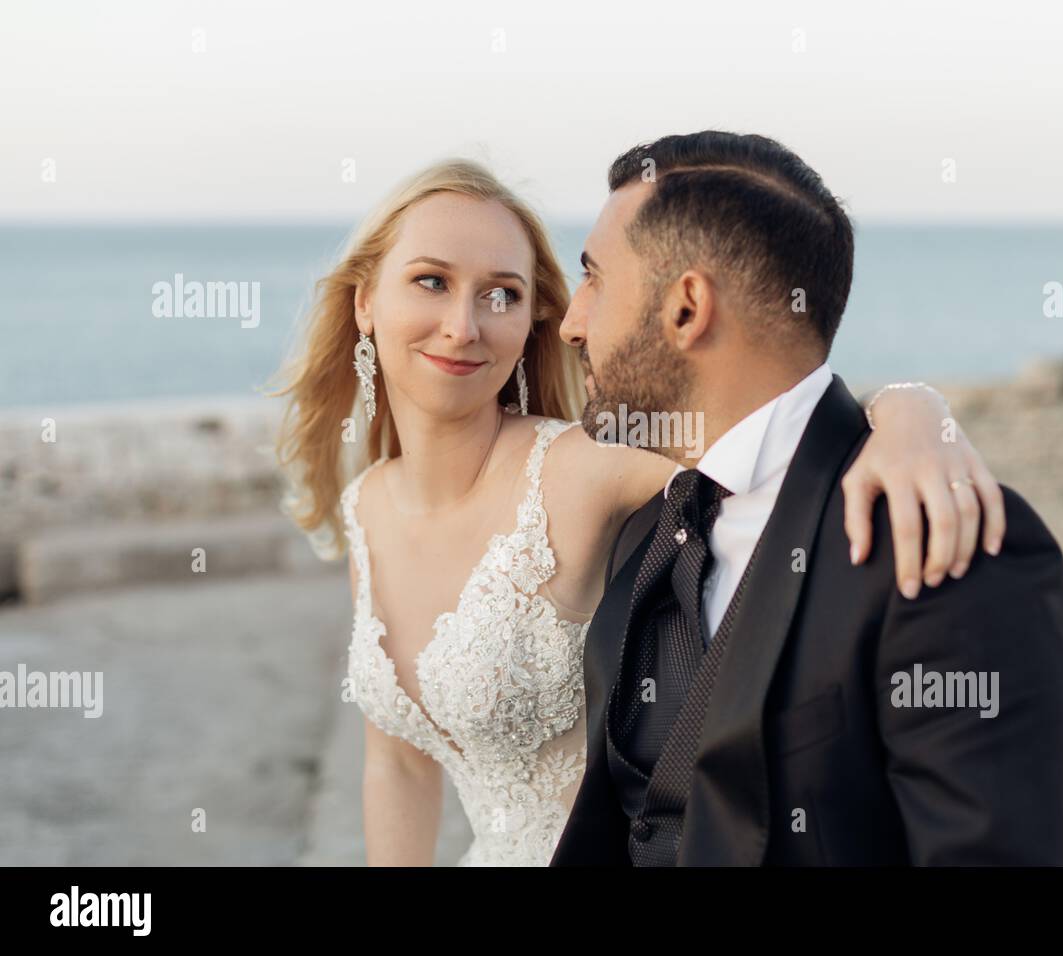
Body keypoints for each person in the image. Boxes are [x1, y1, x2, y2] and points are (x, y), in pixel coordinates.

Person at [272, 155, 1007, 866]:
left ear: (534, 320)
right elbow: (396, 764)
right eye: (431, 281)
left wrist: (912, 411)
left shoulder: (575, 471)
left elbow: (766, 430)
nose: (465, 325)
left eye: (502, 294)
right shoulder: (366, 504)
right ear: (366, 301)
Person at [549, 131, 1063, 866]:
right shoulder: (649, 532)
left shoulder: (940, 539)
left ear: (686, 308)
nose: (571, 322)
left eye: (594, 280)